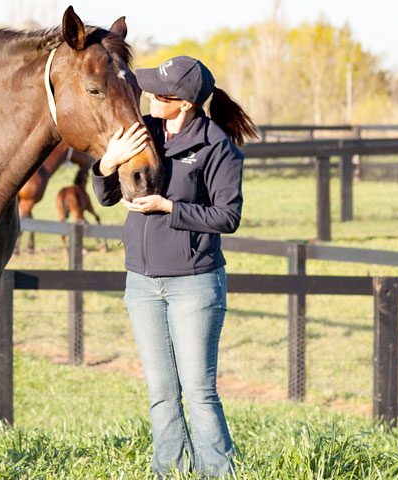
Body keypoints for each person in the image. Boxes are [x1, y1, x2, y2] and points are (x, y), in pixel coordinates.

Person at [91, 55, 257, 478]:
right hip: (142, 283)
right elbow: (107, 196)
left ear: (183, 103)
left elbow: (228, 217)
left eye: (158, 92)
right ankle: (169, 471)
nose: (147, 95)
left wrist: (170, 207)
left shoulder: (218, 147)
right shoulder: (143, 133)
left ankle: (217, 472)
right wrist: (106, 165)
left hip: (194, 285)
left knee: (199, 391)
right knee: (162, 392)